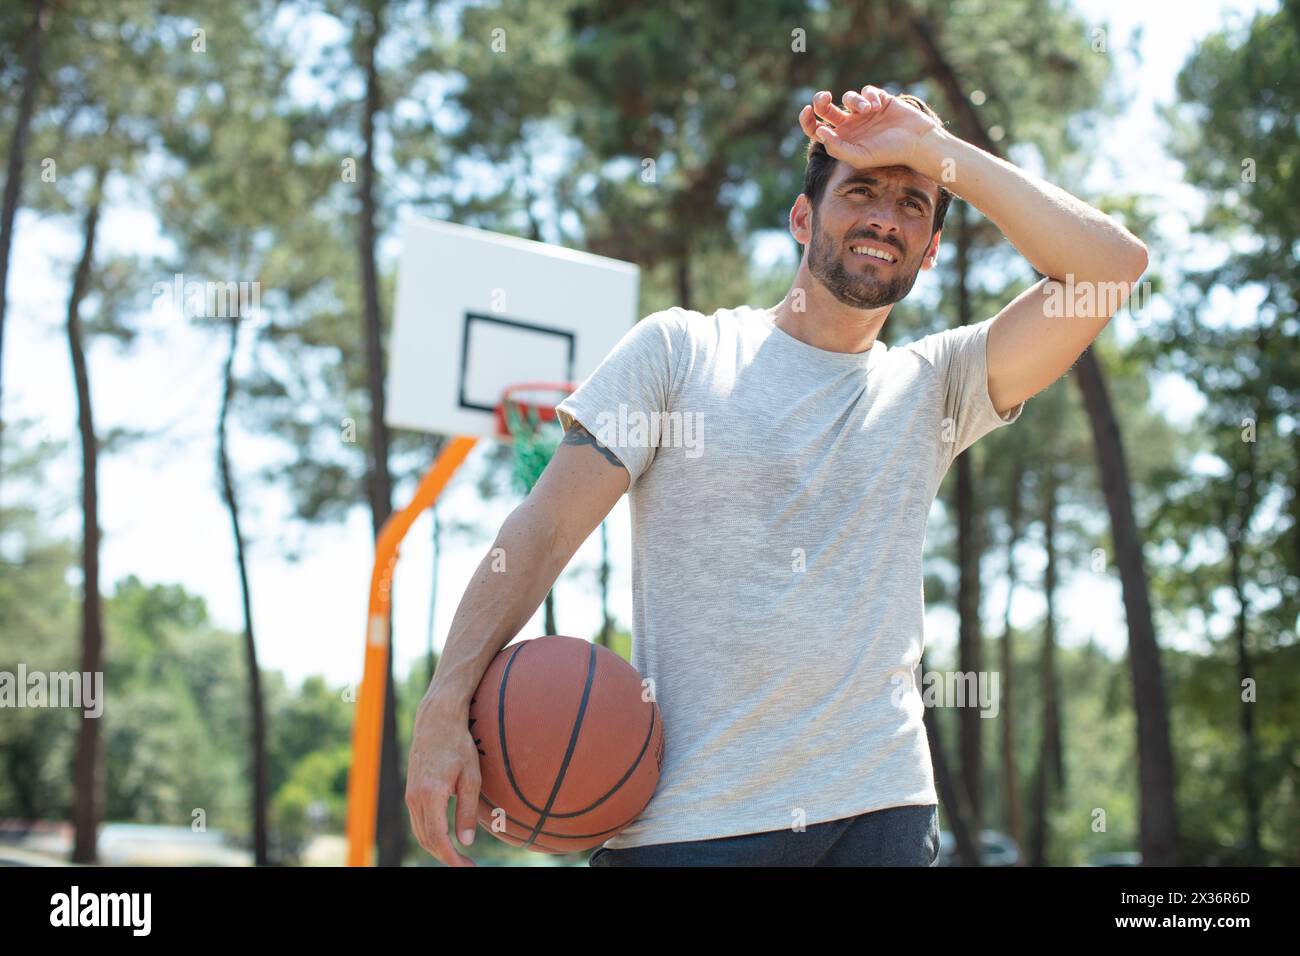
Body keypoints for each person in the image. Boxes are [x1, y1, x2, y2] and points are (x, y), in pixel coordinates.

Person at [405, 85, 1148, 867]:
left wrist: (944, 155)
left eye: (913, 204)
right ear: (803, 218)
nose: (885, 218)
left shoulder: (938, 384)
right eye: (860, 190)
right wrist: (445, 701)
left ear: (930, 250)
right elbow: (545, 527)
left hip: (881, 812)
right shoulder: (681, 352)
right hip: (691, 824)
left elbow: (1112, 266)